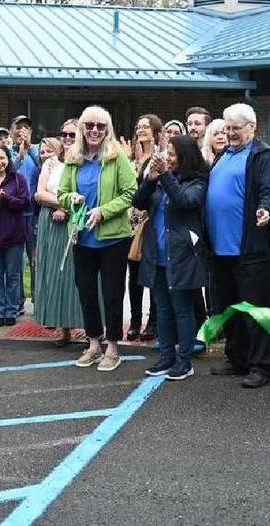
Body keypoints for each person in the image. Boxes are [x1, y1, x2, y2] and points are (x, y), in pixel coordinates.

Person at [205, 103, 270, 388]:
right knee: (229, 308)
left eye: (236, 128)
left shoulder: (262, 156)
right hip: (220, 249)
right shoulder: (223, 155)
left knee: (258, 310)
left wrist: (265, 210)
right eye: (227, 128)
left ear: (252, 127)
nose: (230, 133)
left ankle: (262, 366)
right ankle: (237, 358)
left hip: (251, 249)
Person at [57, 105, 137, 371]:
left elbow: (130, 193)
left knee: (112, 294)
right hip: (82, 238)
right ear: (81, 128)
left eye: (100, 126)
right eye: (89, 125)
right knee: (87, 292)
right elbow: (62, 193)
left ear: (108, 129)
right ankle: (93, 343)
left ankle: (113, 347)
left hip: (113, 239)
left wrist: (104, 211)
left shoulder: (117, 157)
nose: (94, 131)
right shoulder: (73, 156)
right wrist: (72, 199)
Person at [133, 134, 209, 381]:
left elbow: (185, 202)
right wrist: (149, 180)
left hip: (182, 256)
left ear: (185, 157)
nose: (168, 157)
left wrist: (164, 175)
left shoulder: (196, 182)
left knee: (181, 309)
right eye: (167, 152)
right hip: (157, 255)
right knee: (162, 309)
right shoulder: (160, 181)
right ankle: (166, 357)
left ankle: (184, 360)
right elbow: (138, 202)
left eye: (173, 154)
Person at [33, 132, 86, 346]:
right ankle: (63, 328)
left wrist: (68, 209)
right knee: (57, 274)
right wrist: (62, 205)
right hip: (52, 223)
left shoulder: (87, 162)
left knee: (80, 276)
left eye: (72, 134)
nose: (67, 138)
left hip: (79, 222)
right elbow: (39, 194)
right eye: (64, 134)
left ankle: (87, 326)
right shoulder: (51, 164)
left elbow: (88, 193)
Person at [0, 144, 29, 327]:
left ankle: (11, 310)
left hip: (15, 236)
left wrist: (5, 198)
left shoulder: (18, 180)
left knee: (13, 275)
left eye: (2, 158)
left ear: (8, 159)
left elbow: (23, 203)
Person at [125, 114, 163, 341]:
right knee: (134, 273)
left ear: (155, 131)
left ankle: (153, 321)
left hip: (151, 219)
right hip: (132, 222)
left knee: (153, 271)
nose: (141, 130)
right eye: (138, 126)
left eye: (145, 127)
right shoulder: (130, 155)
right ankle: (135, 320)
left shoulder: (159, 156)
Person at [11, 115, 40, 314]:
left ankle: (39, 301)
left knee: (35, 258)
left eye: (26, 128)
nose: (22, 131)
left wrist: (29, 149)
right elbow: (6, 171)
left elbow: (45, 166)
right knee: (16, 261)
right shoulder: (6, 152)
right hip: (14, 213)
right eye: (18, 127)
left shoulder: (37, 150)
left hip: (34, 213)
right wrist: (19, 155)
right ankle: (17, 302)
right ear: (12, 131)